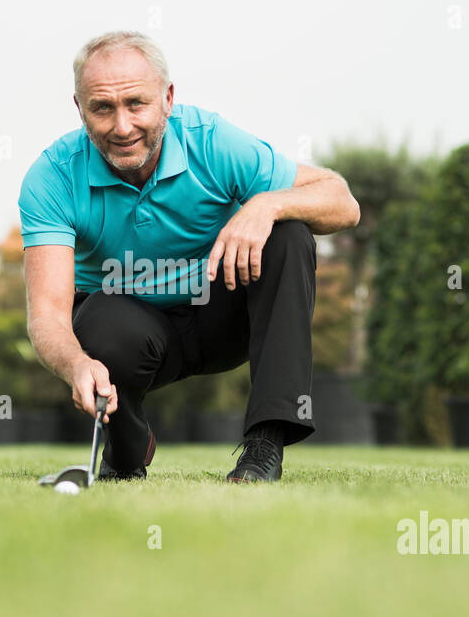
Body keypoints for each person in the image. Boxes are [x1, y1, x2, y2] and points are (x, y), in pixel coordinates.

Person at [18, 31, 360, 482]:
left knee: (289, 234)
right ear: (80, 109)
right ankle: (127, 447)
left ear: (168, 98)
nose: (122, 126)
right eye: (103, 108)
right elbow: (46, 316)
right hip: (130, 332)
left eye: (136, 103)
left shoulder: (212, 141)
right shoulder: (52, 177)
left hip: (223, 316)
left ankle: (263, 449)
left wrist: (267, 204)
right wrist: (76, 364)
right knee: (97, 322)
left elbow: (342, 201)